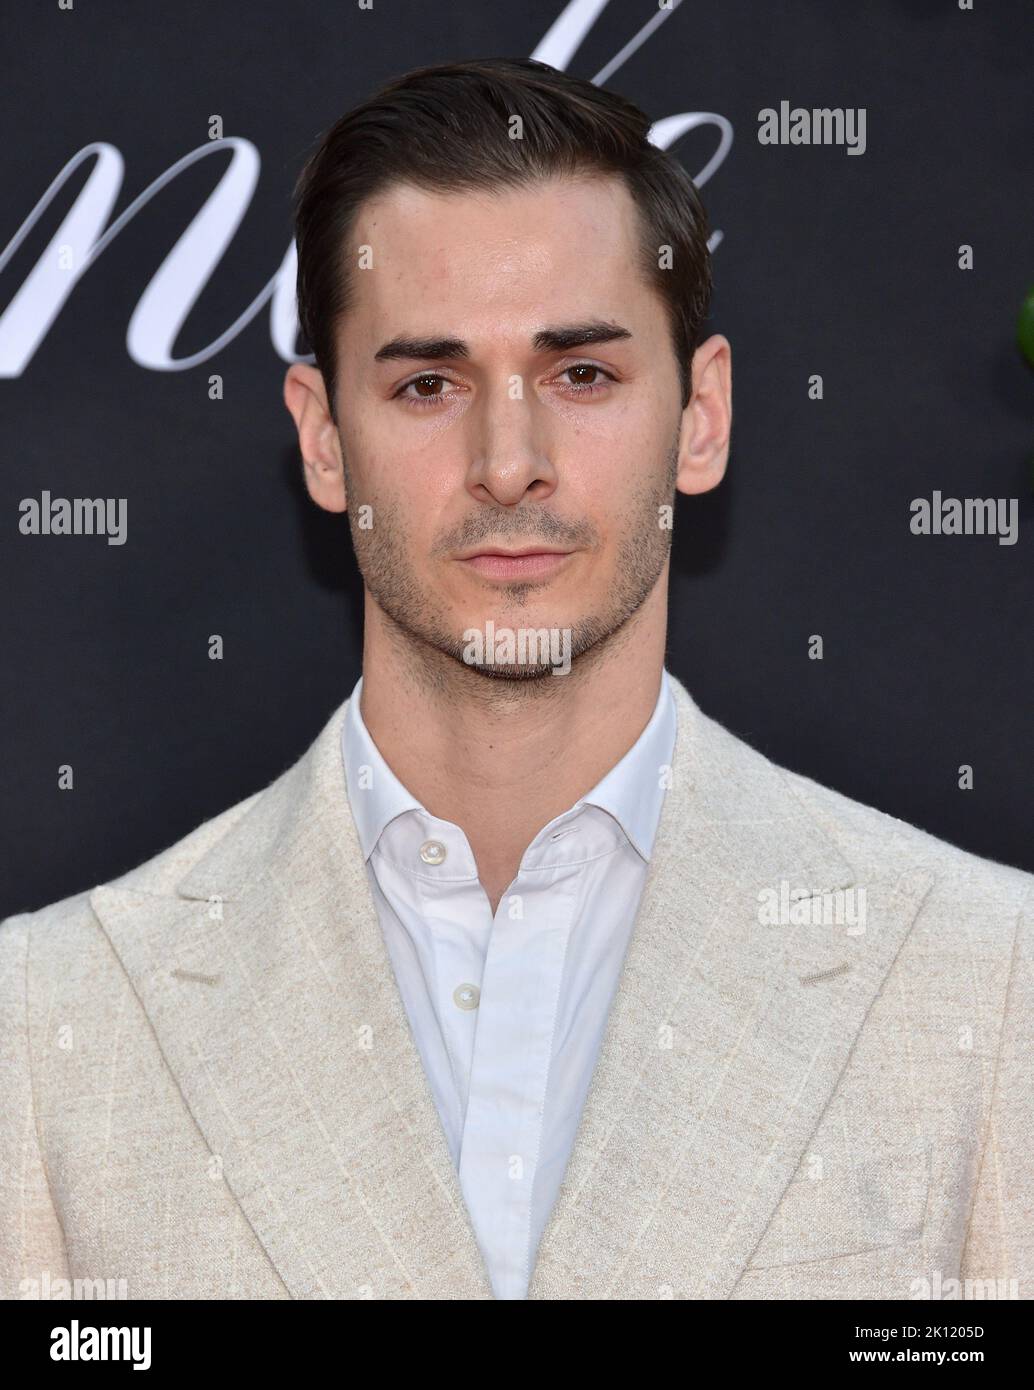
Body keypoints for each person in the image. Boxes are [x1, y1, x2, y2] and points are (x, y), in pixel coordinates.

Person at [2, 58, 1031, 1302]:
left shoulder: (985, 977)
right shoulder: (49, 1026)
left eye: (580, 374)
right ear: (323, 437)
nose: (508, 462)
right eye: (427, 383)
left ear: (699, 416)